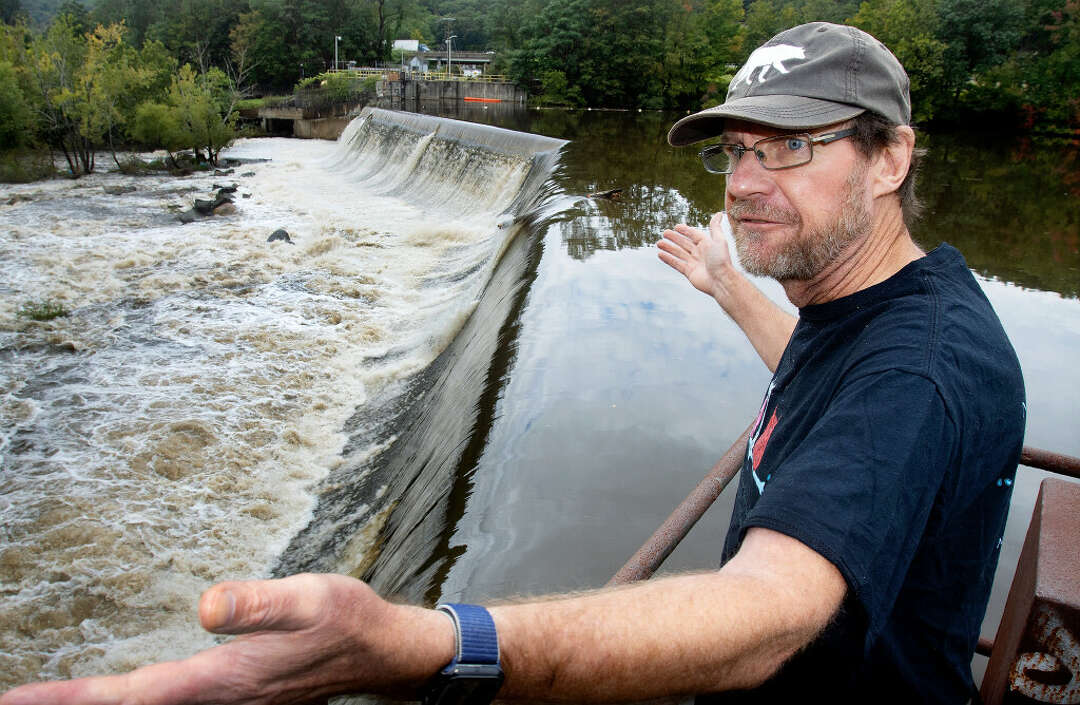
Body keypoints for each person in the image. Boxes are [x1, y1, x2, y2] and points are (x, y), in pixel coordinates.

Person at [0, 22, 1024, 705]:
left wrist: (426, 643)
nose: (749, 181)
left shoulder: (921, 368)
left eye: (790, 149)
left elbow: (765, 616)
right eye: (738, 150)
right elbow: (819, 377)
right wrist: (729, 291)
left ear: (891, 158)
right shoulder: (873, 310)